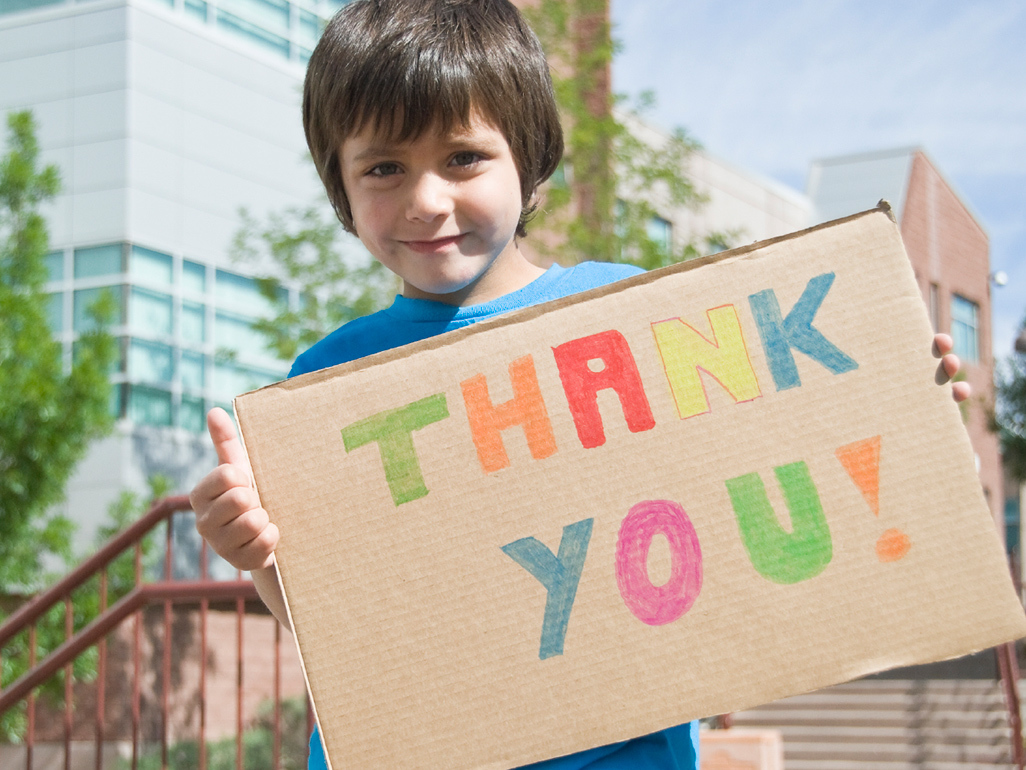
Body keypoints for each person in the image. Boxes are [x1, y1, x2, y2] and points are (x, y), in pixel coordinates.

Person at [189, 0, 970, 767]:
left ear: (528, 162)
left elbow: (769, 497)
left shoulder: (638, 313)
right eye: (385, 168)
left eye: (463, 157)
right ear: (342, 189)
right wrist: (256, 553)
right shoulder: (323, 385)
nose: (427, 200)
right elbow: (347, 630)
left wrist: (899, 405)